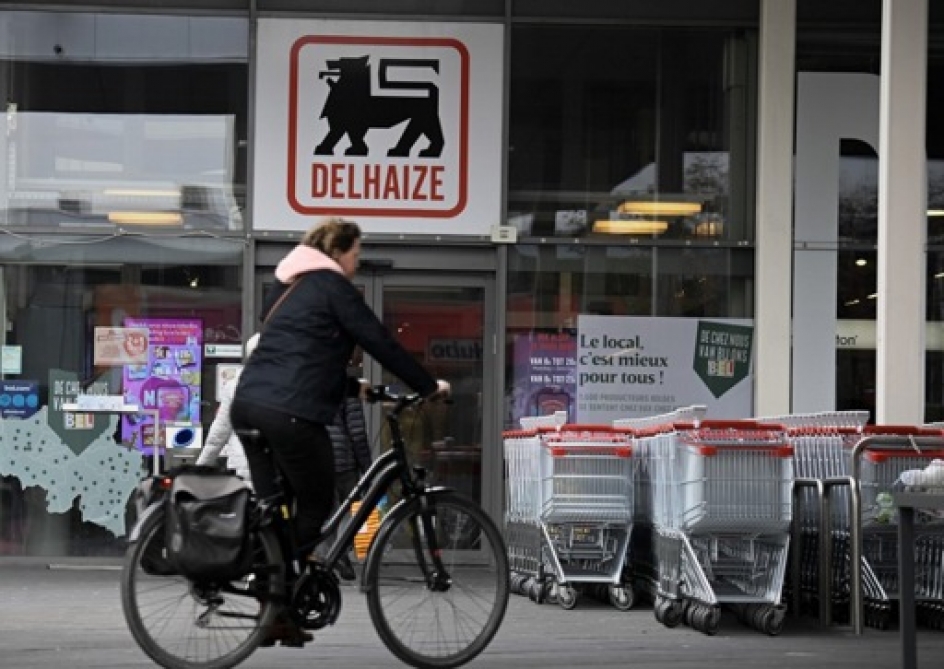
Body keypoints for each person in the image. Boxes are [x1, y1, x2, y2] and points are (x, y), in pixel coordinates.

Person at [231, 217, 449, 560]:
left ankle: (271, 583)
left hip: (246, 407)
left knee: (277, 507)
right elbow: (379, 341)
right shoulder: (331, 285)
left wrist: (351, 387)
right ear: (336, 251)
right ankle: (283, 588)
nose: (357, 263)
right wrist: (426, 386)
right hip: (289, 415)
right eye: (355, 253)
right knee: (317, 501)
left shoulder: (288, 288)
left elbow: (299, 358)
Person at [195, 333, 259, 484]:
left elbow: (218, 434)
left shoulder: (235, 385)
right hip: (276, 472)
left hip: (242, 468)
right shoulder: (286, 385)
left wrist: (200, 469)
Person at [326, 396, 372, 581]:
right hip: (345, 462)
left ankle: (331, 557)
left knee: (328, 514)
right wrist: (367, 467)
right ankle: (340, 554)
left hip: (319, 456)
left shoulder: (310, 382)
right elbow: (357, 432)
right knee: (349, 513)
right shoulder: (346, 389)